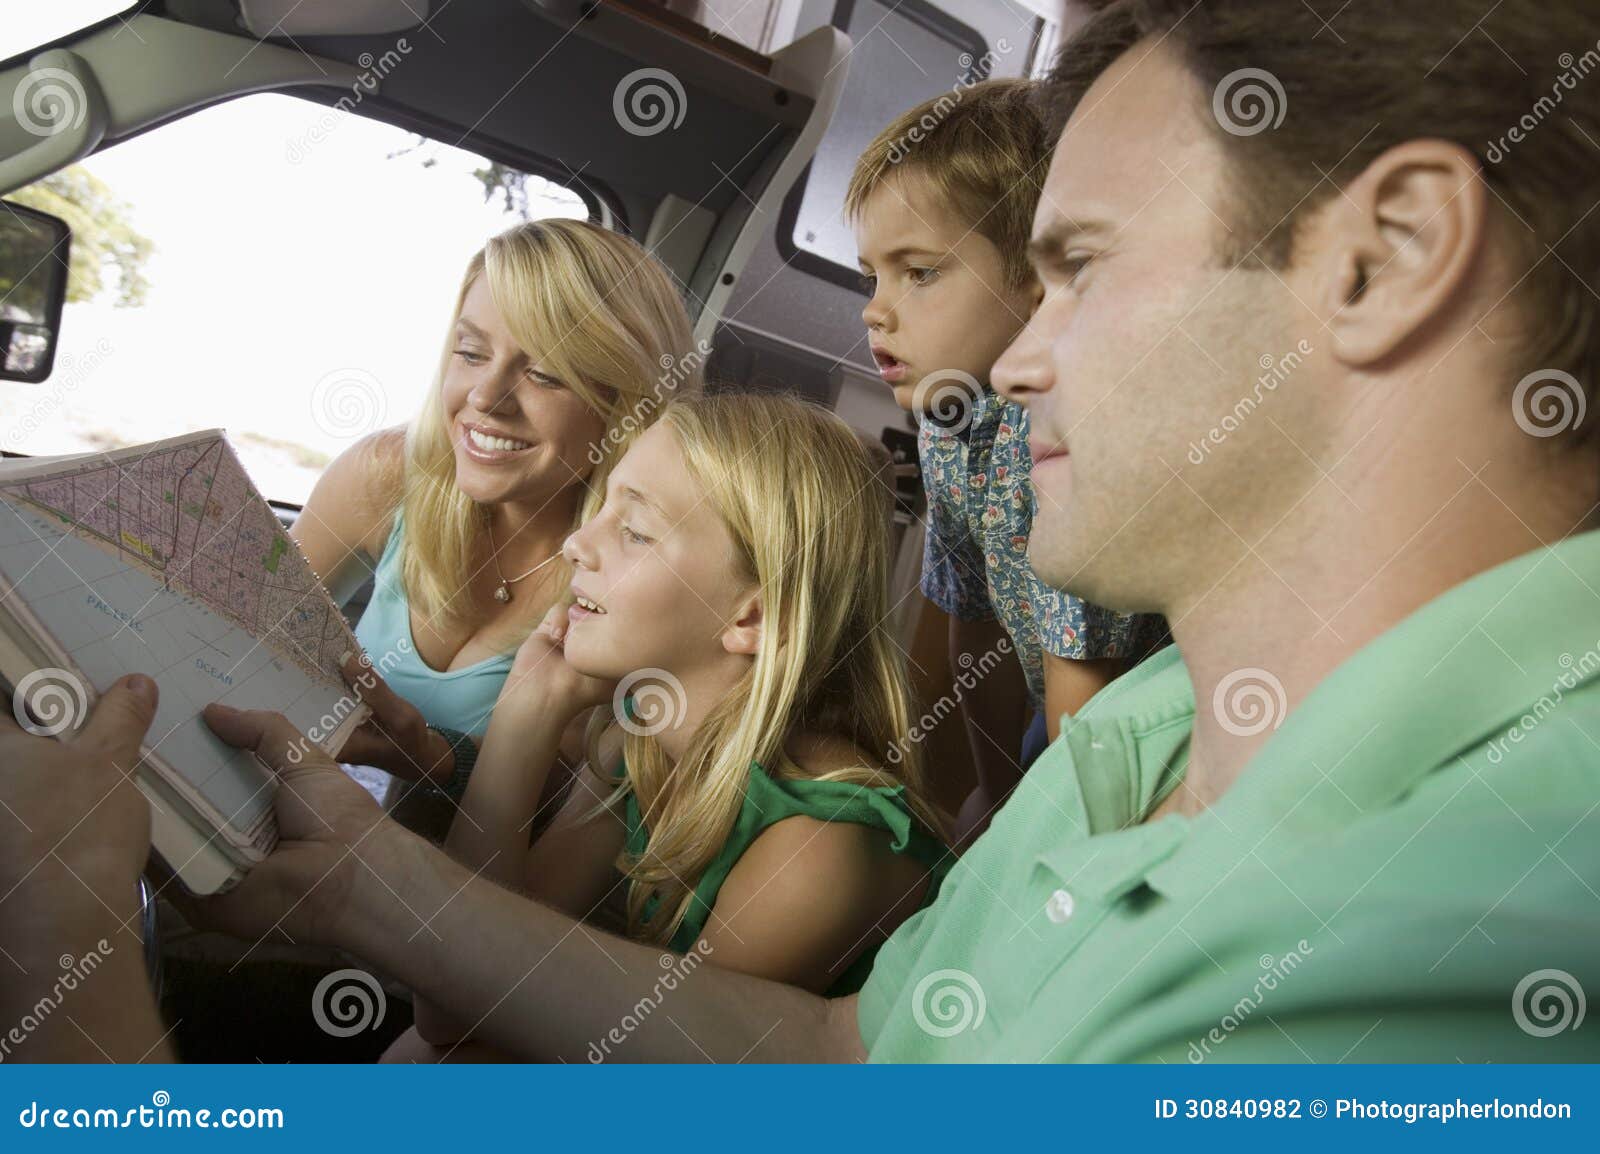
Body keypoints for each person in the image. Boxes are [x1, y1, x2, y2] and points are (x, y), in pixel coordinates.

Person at [7, 0, 1600, 1065]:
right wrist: (362, 884)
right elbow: (839, 1058)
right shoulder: (1151, 739)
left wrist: (71, 993)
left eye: (1086, 267)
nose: (1020, 355)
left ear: (1388, 257)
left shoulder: (1463, 929)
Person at [393, 393, 949, 1059]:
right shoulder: (645, 747)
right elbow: (455, 992)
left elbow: (470, 1013)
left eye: (634, 531)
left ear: (751, 617)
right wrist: (527, 710)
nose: (576, 543)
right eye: (601, 510)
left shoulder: (821, 849)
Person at [848, 79, 1166, 844]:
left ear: (1036, 276)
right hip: (1044, 711)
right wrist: (993, 791)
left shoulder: (1058, 432)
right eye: (872, 275)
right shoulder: (946, 423)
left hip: (1130, 727)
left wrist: (1042, 838)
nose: (874, 309)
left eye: (919, 272)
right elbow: (974, 624)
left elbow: (1084, 677)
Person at [292, 218, 700, 800]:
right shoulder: (383, 475)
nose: (486, 398)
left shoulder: (637, 584)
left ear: (625, 408)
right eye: (471, 353)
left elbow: (557, 809)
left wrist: (435, 759)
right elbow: (243, 631)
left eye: (544, 374)